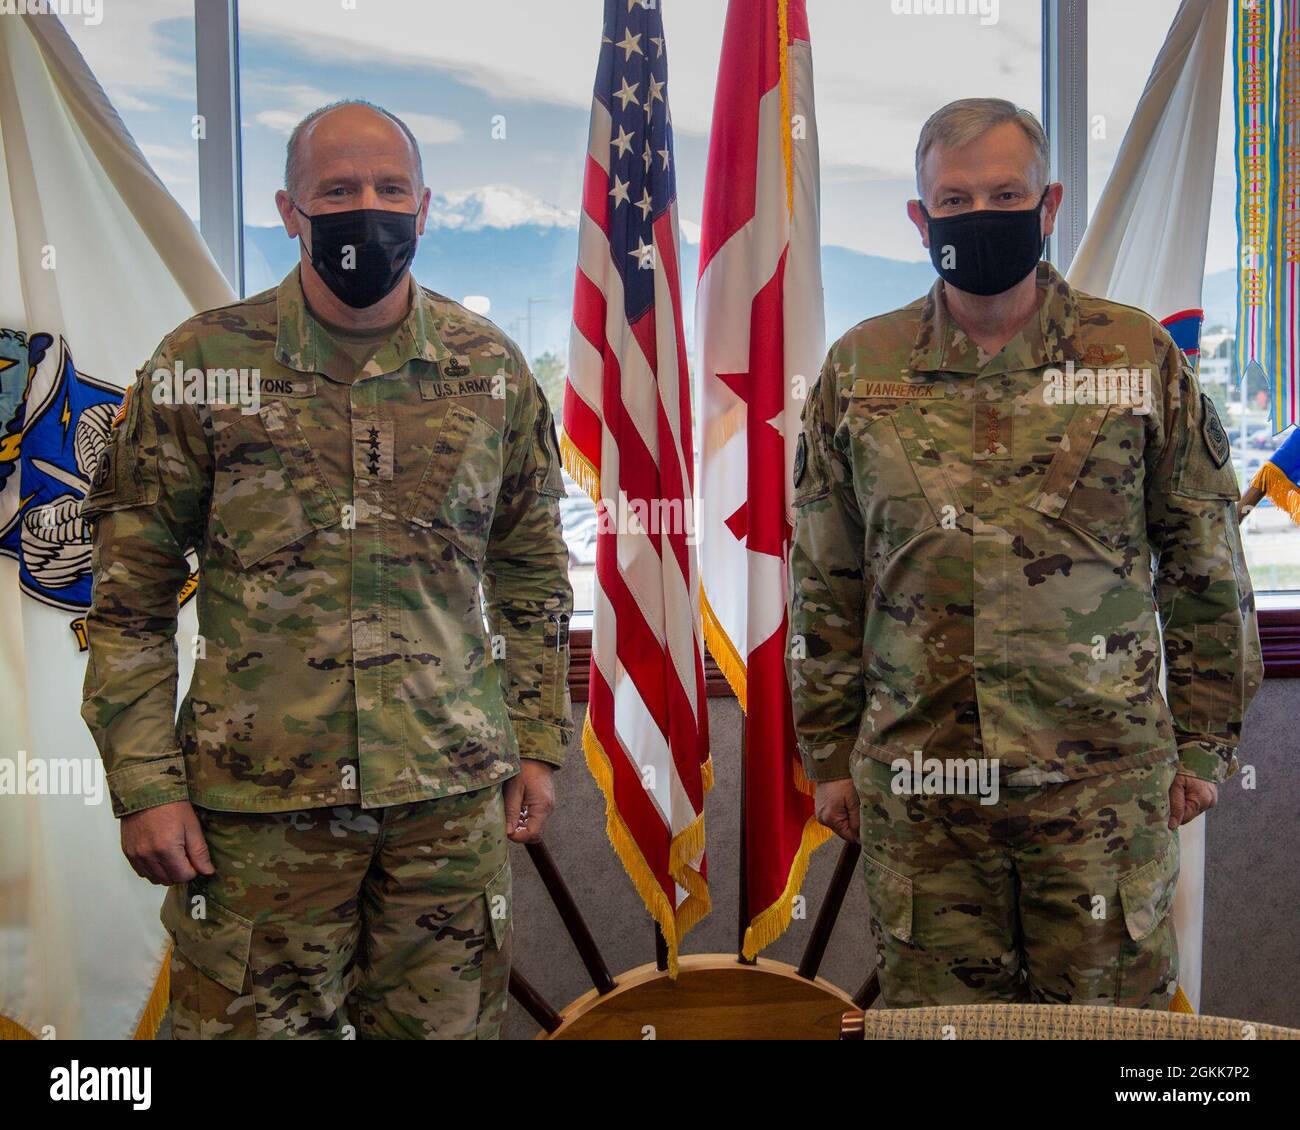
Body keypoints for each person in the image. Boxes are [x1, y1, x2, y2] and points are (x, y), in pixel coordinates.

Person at [81, 100, 572, 1039]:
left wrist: (539, 744)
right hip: (257, 819)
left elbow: (535, 578)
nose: (368, 208)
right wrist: (146, 784)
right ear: (289, 209)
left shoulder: (491, 372)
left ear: (426, 208)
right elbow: (128, 602)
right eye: (337, 189)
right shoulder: (201, 367)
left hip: (446, 807)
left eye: (390, 188)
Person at [789, 98, 1262, 1008]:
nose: (980, 215)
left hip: (1100, 796)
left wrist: (1204, 747)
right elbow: (823, 582)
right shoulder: (861, 370)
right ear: (920, 222)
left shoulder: (1134, 356)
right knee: (943, 1032)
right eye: (955, 199)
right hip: (923, 795)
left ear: (1046, 209)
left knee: (1111, 1047)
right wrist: (829, 756)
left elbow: (1204, 560)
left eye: (1004, 192)